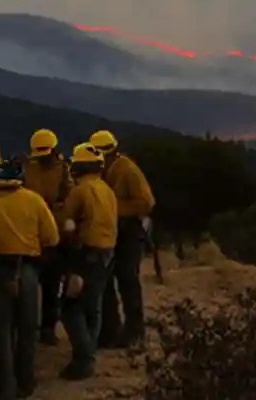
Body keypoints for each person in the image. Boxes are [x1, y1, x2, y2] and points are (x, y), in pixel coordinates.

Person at [0, 158, 60, 399]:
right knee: (27, 331)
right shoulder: (35, 201)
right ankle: (26, 382)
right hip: (28, 271)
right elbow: (52, 238)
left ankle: (3, 386)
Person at [91, 129, 156, 349]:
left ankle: (134, 330)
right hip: (111, 231)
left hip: (130, 231)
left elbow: (146, 202)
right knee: (106, 281)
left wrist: (112, 209)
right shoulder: (102, 171)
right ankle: (110, 330)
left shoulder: (128, 170)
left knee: (127, 278)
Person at [59, 142, 118, 380]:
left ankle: (84, 359)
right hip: (107, 252)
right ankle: (88, 356)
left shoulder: (80, 191)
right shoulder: (107, 189)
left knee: (70, 307)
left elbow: (68, 223)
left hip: (86, 254)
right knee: (93, 306)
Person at [21, 129, 73, 345]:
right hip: (32, 231)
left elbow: (68, 196)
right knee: (31, 284)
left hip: (49, 232)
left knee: (50, 285)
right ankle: (29, 327)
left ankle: (48, 327)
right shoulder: (27, 167)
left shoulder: (63, 170)